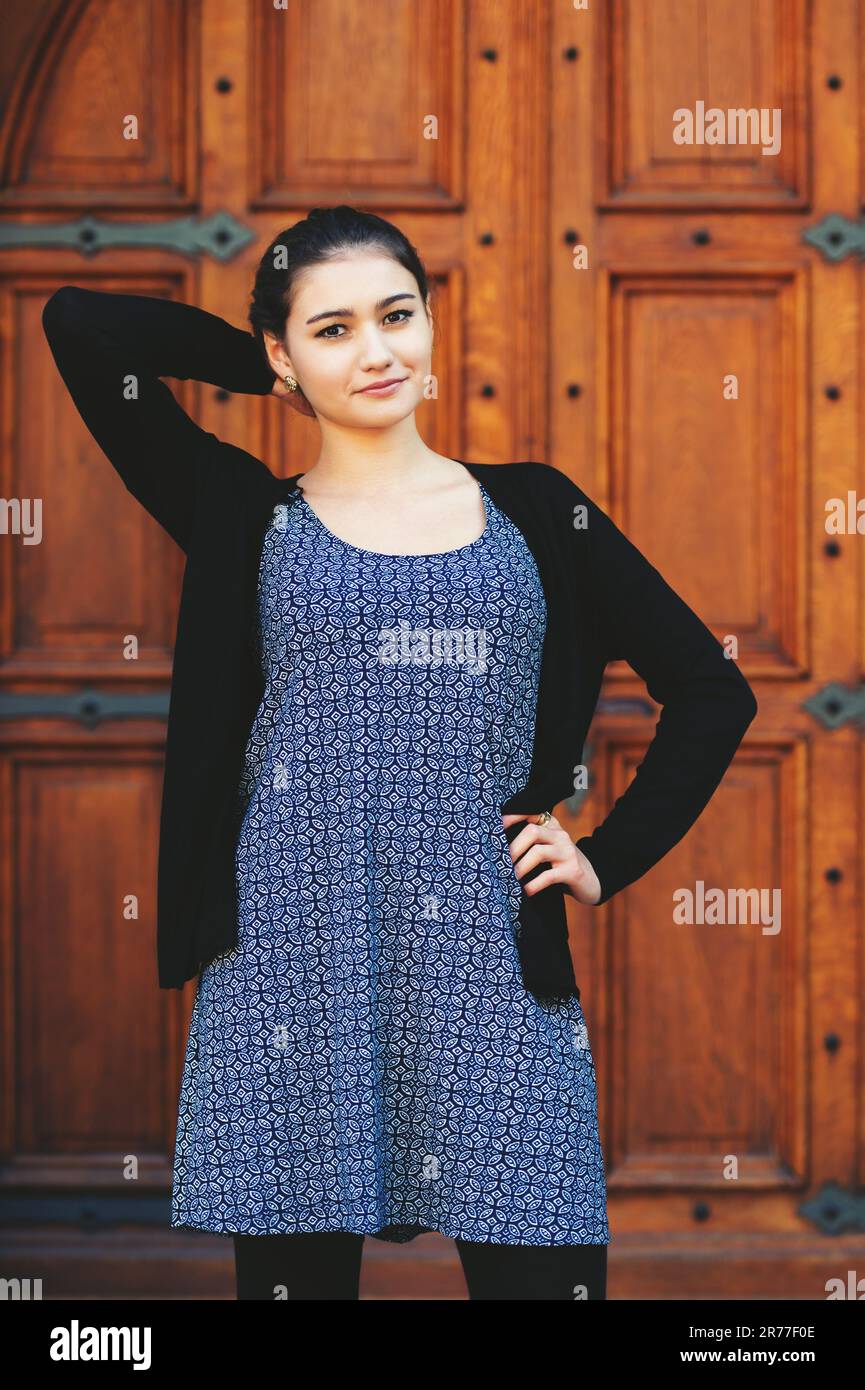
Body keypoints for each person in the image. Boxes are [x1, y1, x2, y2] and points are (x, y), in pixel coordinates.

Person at [41, 205, 755, 1301]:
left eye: (396, 316)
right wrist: (264, 363)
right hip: (290, 965)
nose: (376, 351)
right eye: (332, 330)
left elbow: (710, 690)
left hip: (491, 968)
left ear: (429, 325)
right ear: (284, 353)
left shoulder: (538, 508)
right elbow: (79, 324)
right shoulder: (240, 512)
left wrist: (604, 857)